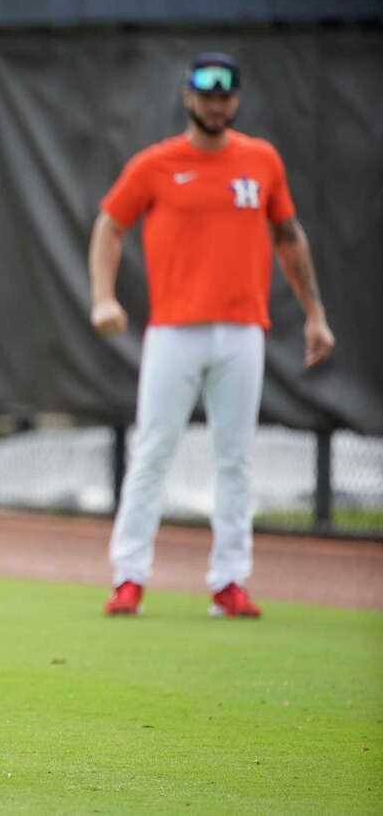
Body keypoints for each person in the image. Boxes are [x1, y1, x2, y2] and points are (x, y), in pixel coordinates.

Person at [88, 53, 335, 618]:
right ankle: (129, 577)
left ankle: (229, 582)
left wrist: (315, 315)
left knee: (236, 458)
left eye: (226, 95)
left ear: (237, 101)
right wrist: (103, 297)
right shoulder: (155, 164)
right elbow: (110, 223)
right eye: (206, 93)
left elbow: (289, 236)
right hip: (174, 331)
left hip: (243, 331)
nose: (216, 103)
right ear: (188, 97)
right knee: (152, 449)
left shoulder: (261, 160)